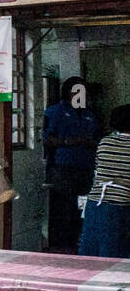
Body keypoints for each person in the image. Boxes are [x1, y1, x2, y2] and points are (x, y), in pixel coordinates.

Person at [44, 77, 100, 253]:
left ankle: (78, 244)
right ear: (69, 92)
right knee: (63, 207)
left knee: (83, 208)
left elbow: (98, 137)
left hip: (86, 167)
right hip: (62, 168)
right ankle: (61, 246)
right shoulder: (54, 112)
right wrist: (68, 141)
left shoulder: (90, 115)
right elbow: (47, 139)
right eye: (78, 91)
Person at [78, 104, 130, 258]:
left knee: (92, 251)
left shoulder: (105, 142)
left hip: (95, 203)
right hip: (121, 204)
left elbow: (98, 169)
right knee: (115, 253)